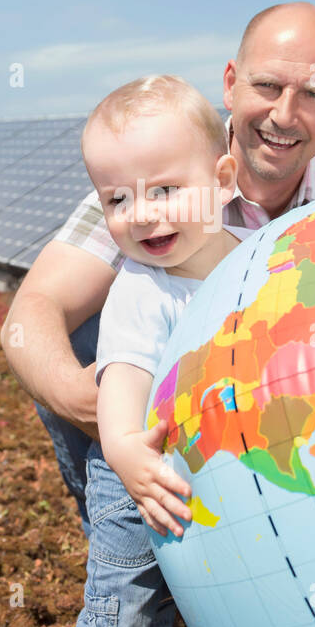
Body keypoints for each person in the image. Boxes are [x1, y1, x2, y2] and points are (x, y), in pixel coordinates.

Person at [0, 2, 315, 627]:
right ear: (232, 82)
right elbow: (31, 313)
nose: (284, 115)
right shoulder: (149, 178)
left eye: (312, 95)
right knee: (73, 346)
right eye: (267, 86)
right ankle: (126, 543)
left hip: (273, 420)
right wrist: (106, 417)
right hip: (149, 427)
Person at [83, 76, 252, 540]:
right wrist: (123, 450)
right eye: (118, 198)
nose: (139, 214)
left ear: (221, 181)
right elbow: (123, 381)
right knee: (128, 597)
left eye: (162, 191)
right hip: (147, 477)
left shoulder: (259, 254)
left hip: (230, 461)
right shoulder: (143, 291)